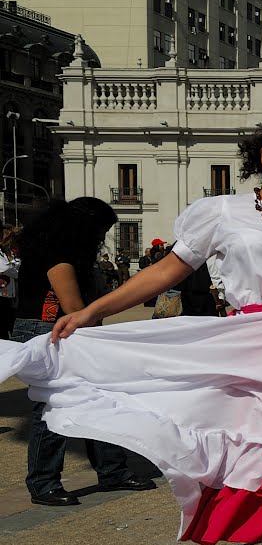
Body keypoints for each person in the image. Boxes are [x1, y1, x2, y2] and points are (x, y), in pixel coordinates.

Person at [6, 118, 262, 545]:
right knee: (259, 459)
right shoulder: (224, 213)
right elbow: (167, 271)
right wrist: (94, 310)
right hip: (252, 350)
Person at [8, 198, 155, 506]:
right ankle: (45, 481)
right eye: (101, 231)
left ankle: (111, 469)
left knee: (97, 397)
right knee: (54, 405)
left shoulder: (54, 248)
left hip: (51, 329)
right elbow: (74, 308)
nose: (101, 238)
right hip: (49, 331)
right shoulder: (59, 257)